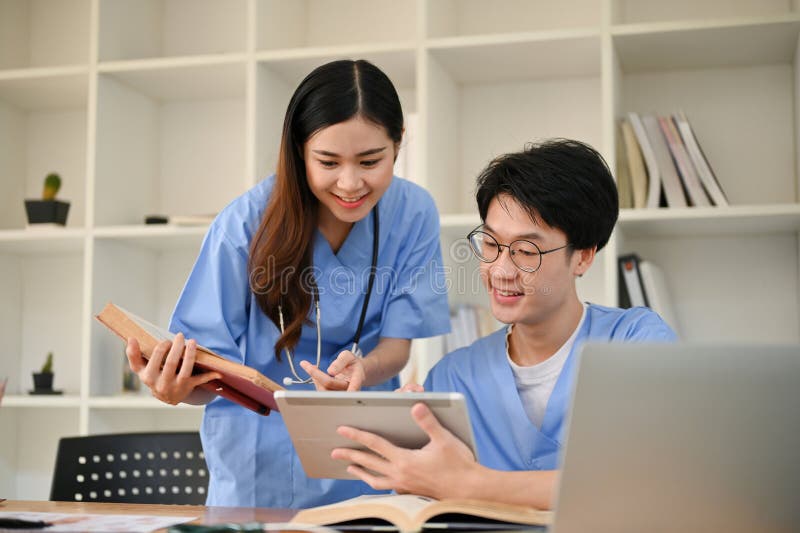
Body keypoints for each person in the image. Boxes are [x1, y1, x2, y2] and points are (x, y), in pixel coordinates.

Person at [125, 59, 450, 508]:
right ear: (300, 150)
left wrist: (364, 368)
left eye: (371, 161)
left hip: (361, 454)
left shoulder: (414, 214)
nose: (350, 183)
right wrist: (174, 386)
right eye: (328, 162)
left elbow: (398, 346)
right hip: (257, 469)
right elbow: (207, 369)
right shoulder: (244, 224)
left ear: (398, 144)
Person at [330, 139, 677, 510]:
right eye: (491, 245)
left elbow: (655, 480)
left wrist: (470, 484)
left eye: (526, 251)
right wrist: (405, 454)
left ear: (583, 256)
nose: (500, 271)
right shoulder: (453, 377)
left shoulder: (637, 343)